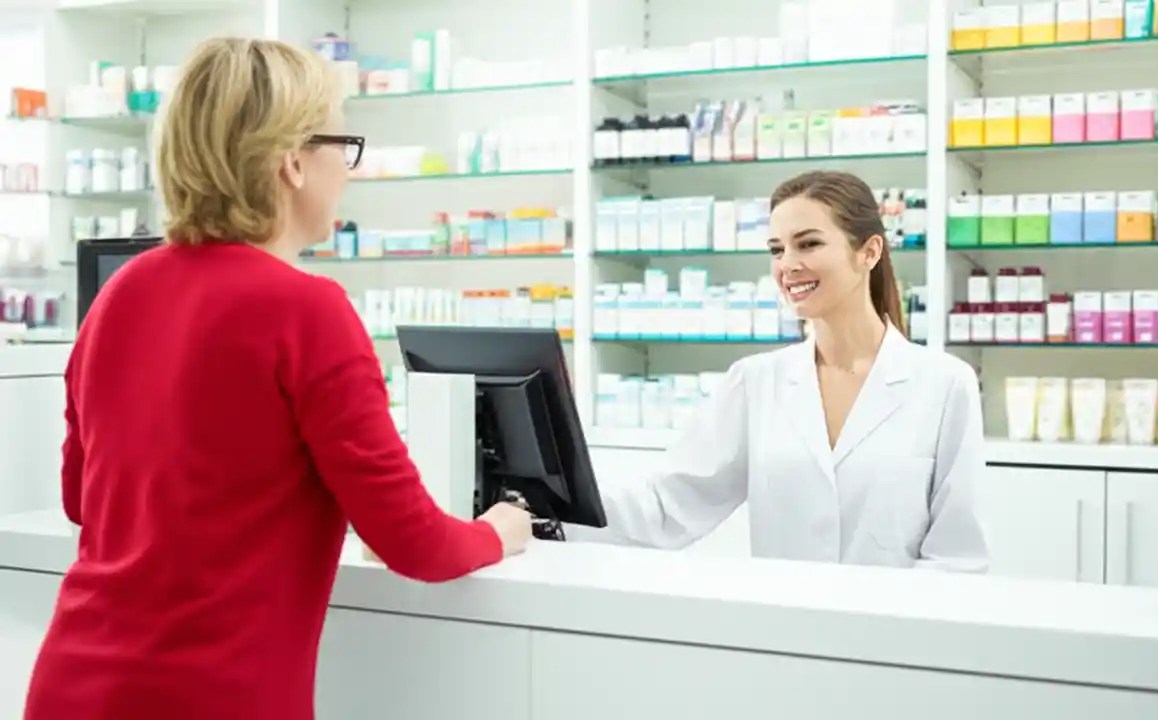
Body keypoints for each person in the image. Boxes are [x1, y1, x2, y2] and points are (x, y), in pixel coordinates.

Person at [23, 38, 532, 720]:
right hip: (212, 700)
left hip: (72, 685)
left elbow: (83, 501)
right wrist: (500, 530)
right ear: (292, 161)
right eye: (342, 145)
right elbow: (415, 544)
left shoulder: (119, 294)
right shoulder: (306, 310)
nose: (348, 171)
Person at [572, 170, 988, 572]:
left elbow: (956, 556)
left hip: (891, 620)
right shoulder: (756, 381)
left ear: (869, 252)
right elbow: (668, 504)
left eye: (808, 244)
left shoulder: (944, 384)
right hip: (780, 617)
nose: (787, 264)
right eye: (776, 249)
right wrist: (554, 512)